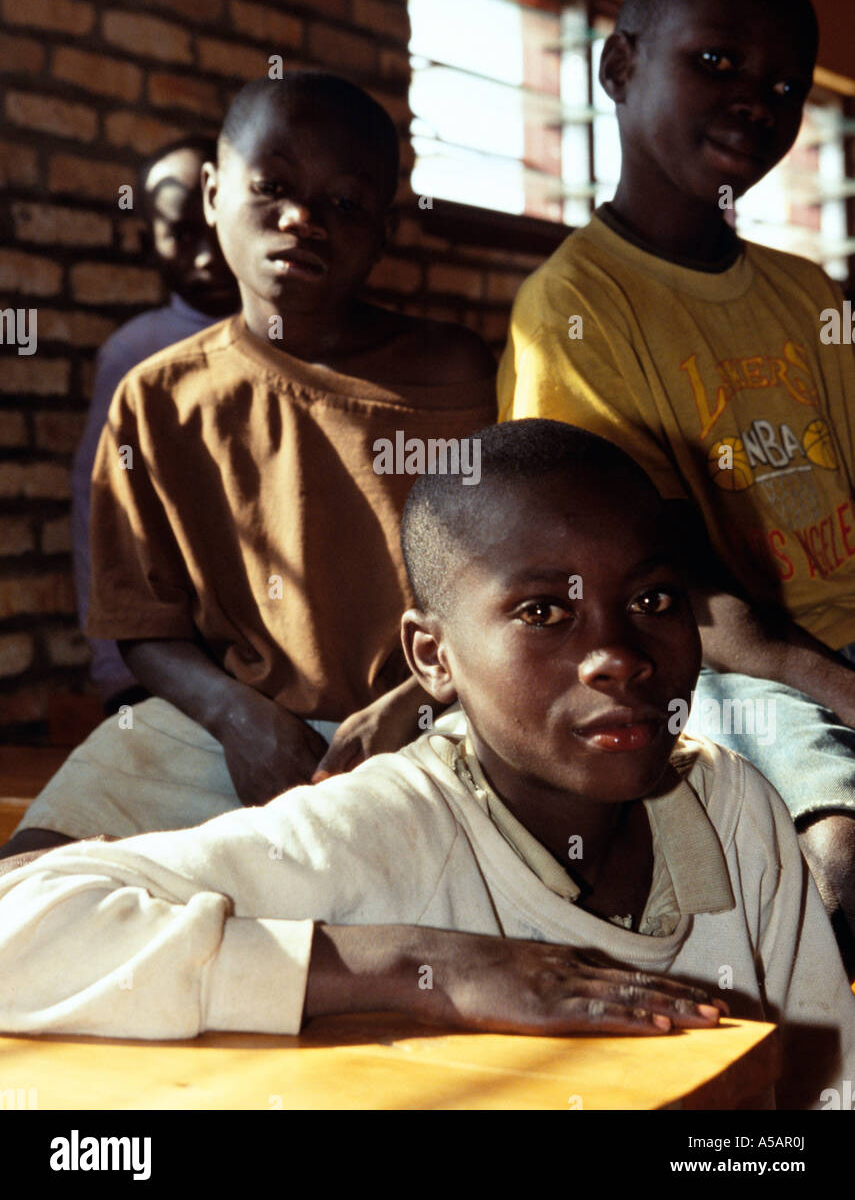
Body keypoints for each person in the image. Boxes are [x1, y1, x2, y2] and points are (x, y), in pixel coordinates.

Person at [0, 420, 851, 1111]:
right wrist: (428, 966)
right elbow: (17, 930)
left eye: (650, 601)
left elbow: (819, 1091)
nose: (616, 655)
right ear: (432, 658)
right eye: (544, 611)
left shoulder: (732, 806)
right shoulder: (384, 829)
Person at [1, 71, 495, 858]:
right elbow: (144, 628)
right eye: (271, 186)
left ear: (383, 230)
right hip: (221, 725)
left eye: (346, 203)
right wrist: (238, 717)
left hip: (436, 718)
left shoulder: (456, 377)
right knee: (32, 885)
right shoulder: (158, 397)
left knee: (404, 888)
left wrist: (413, 703)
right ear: (211, 193)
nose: (302, 219)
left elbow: (510, 590)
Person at [498, 0, 855, 970]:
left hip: (831, 652)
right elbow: (652, 582)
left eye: (785, 87)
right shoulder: (574, 310)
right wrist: (832, 683)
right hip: (728, 664)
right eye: (716, 61)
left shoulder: (809, 294)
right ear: (617, 68)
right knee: (841, 855)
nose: (756, 101)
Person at [71, 136, 241, 712]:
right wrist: (120, 672)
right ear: (148, 242)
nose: (206, 256)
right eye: (180, 235)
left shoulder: (293, 341)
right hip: (170, 670)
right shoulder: (136, 353)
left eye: (214, 230)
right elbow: (99, 513)